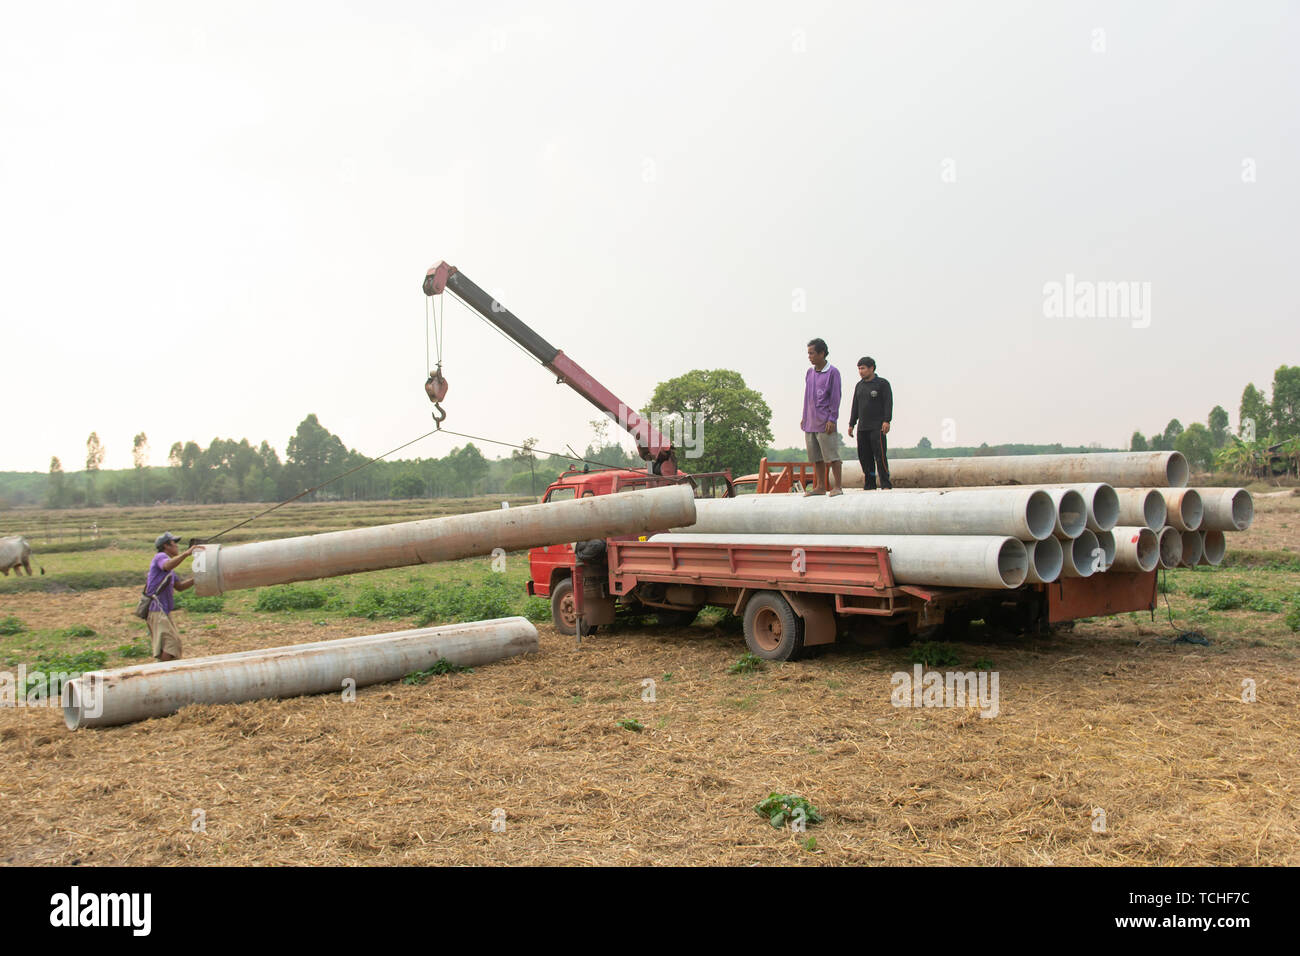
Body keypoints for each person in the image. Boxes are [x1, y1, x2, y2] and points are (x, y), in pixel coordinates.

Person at [801, 338, 843, 496]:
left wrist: (832, 418)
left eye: (812, 353)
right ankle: (820, 486)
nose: (809, 356)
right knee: (815, 457)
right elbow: (807, 397)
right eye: (808, 353)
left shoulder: (833, 372)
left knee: (831, 456)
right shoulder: (809, 373)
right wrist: (804, 416)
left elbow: (836, 396)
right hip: (810, 421)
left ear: (822, 353)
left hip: (825, 421)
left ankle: (837, 486)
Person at [145, 532, 196, 661]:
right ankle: (162, 671)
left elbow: (180, 587)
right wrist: (186, 554)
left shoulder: (170, 571)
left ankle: (163, 670)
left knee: (170, 644)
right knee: (171, 644)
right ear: (166, 546)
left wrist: (197, 578)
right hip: (156, 610)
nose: (177, 547)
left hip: (163, 611)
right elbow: (167, 565)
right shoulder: (160, 557)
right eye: (174, 544)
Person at [847, 356, 893, 489]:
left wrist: (887, 420)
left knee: (880, 456)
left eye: (863, 368)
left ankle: (885, 483)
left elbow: (888, 403)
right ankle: (870, 483)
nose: (860, 371)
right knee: (865, 457)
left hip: (877, 427)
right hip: (862, 427)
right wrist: (851, 424)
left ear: (871, 368)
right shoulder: (859, 386)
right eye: (859, 369)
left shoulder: (882, 384)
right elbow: (855, 406)